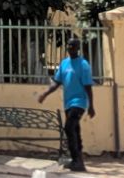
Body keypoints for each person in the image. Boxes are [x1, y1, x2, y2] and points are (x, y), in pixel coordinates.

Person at [36, 35, 96, 171]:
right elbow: (57, 82)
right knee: (75, 130)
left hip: (79, 103)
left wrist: (91, 105)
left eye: (73, 46)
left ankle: (75, 159)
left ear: (78, 48)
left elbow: (88, 86)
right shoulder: (64, 63)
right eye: (68, 45)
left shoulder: (83, 65)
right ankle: (79, 161)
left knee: (68, 127)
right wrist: (45, 94)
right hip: (68, 103)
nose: (70, 48)